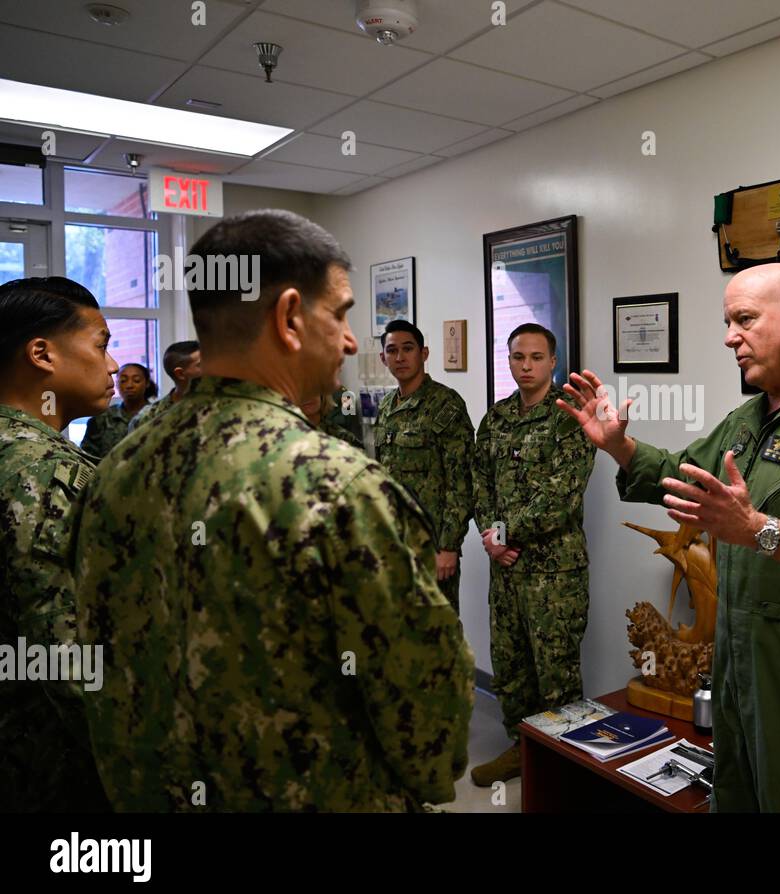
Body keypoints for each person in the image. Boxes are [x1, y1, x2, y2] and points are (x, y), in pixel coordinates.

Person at [69, 210, 474, 812]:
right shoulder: (336, 487)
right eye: (338, 314)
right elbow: (430, 730)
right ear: (288, 318)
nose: (351, 340)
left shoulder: (118, 469)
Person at [558, 263, 780, 812]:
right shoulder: (749, 418)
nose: (730, 336)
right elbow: (688, 476)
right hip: (740, 668)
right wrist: (621, 448)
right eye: (728, 321)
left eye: (744, 319)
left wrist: (760, 532)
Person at [0, 276, 113, 812]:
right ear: (42, 354)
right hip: (46, 772)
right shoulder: (49, 473)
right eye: (101, 344)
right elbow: (65, 659)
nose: (113, 366)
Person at [470, 323, 596, 786]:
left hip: (554, 574)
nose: (526, 365)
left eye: (536, 357)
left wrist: (505, 533)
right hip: (505, 570)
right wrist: (492, 535)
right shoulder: (496, 418)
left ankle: (566, 770)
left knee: (556, 675)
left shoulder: (571, 417)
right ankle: (521, 748)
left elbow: (561, 495)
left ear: (553, 362)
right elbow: (478, 480)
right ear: (509, 361)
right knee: (511, 669)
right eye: (518, 357)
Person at [374, 320, 474, 612]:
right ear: (383, 358)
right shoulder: (386, 407)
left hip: (432, 546)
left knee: (438, 632)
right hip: (394, 542)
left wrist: (449, 546)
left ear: (424, 353)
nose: (400, 357)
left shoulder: (446, 405)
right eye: (392, 351)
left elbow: (461, 481)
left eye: (408, 349)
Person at [127, 340, 201, 433]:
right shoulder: (147, 419)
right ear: (180, 374)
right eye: (201, 365)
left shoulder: (217, 405)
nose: (210, 367)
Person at [81, 361, 153, 457]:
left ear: (147, 383)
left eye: (136, 380)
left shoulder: (158, 414)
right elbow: (87, 455)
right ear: (117, 383)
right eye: (123, 381)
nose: (129, 385)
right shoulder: (102, 418)